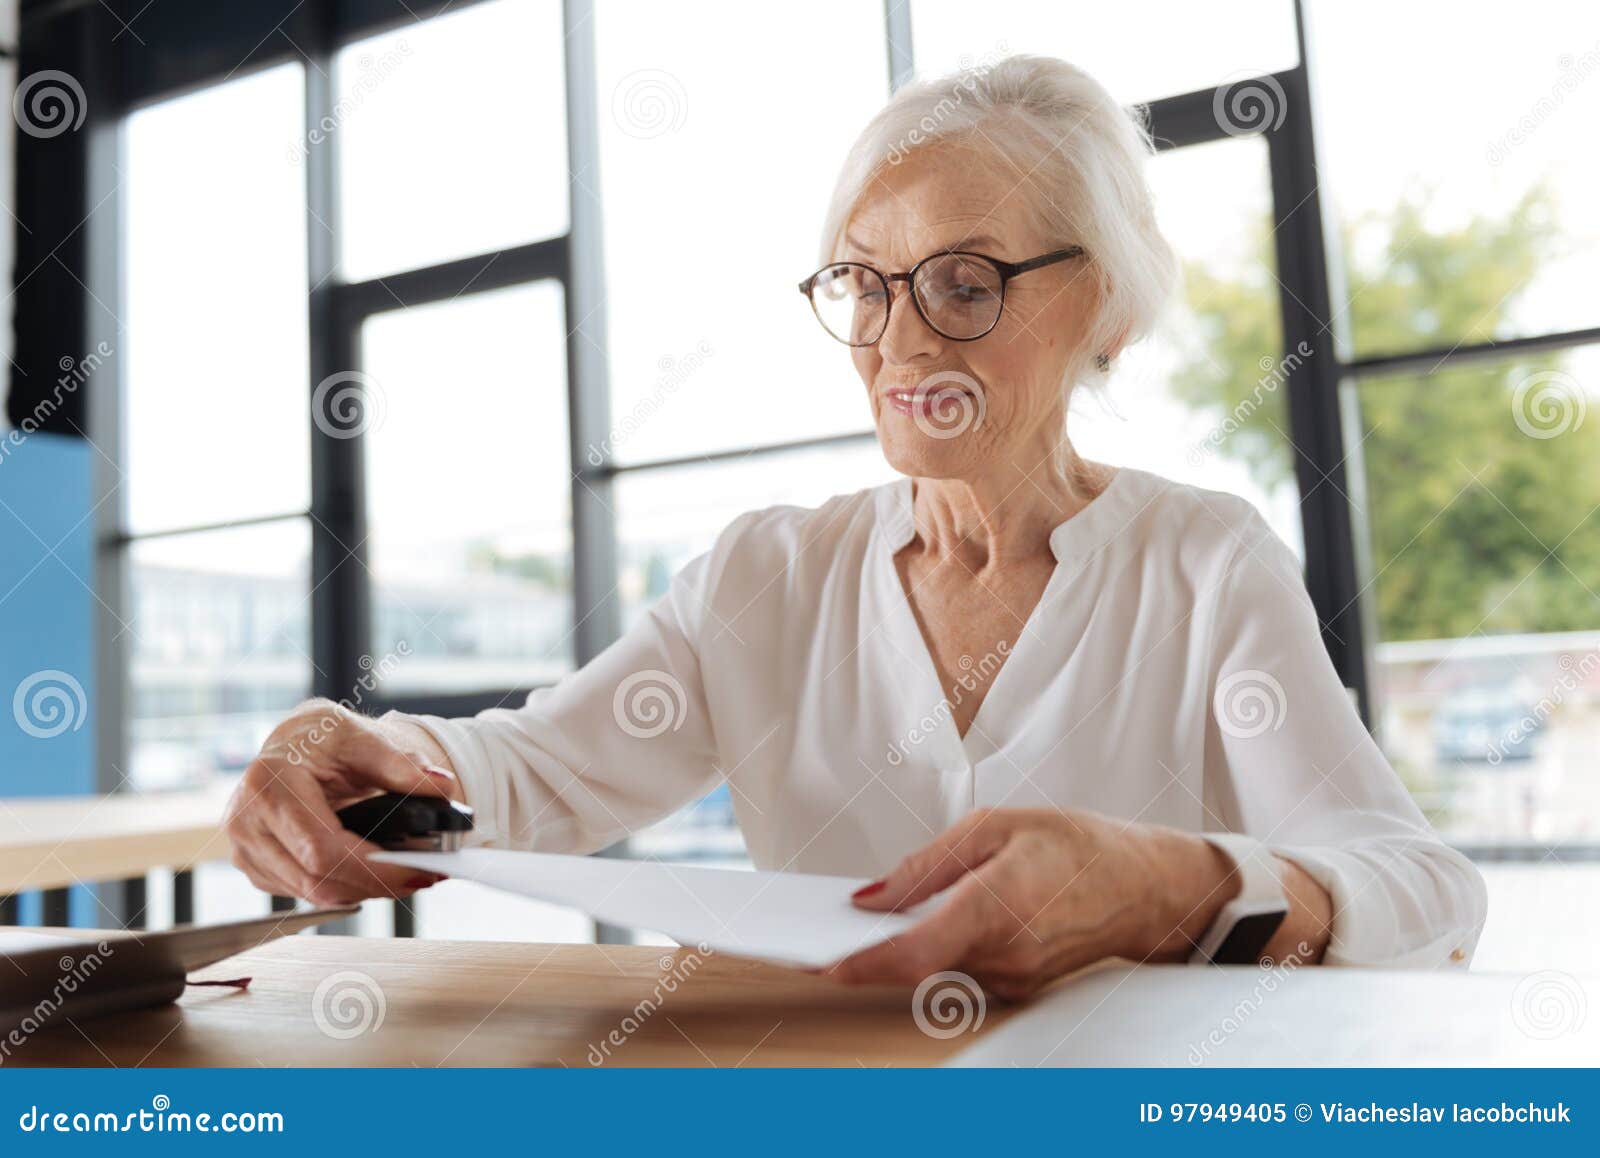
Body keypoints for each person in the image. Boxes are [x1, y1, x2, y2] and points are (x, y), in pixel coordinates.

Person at [224, 54, 1485, 998]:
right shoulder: (768, 576)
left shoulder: (1204, 564)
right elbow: (530, 774)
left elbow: (1427, 896)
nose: (900, 338)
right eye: (864, 282)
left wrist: (1169, 885)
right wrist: (337, 744)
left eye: (963, 280)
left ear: (1103, 301)